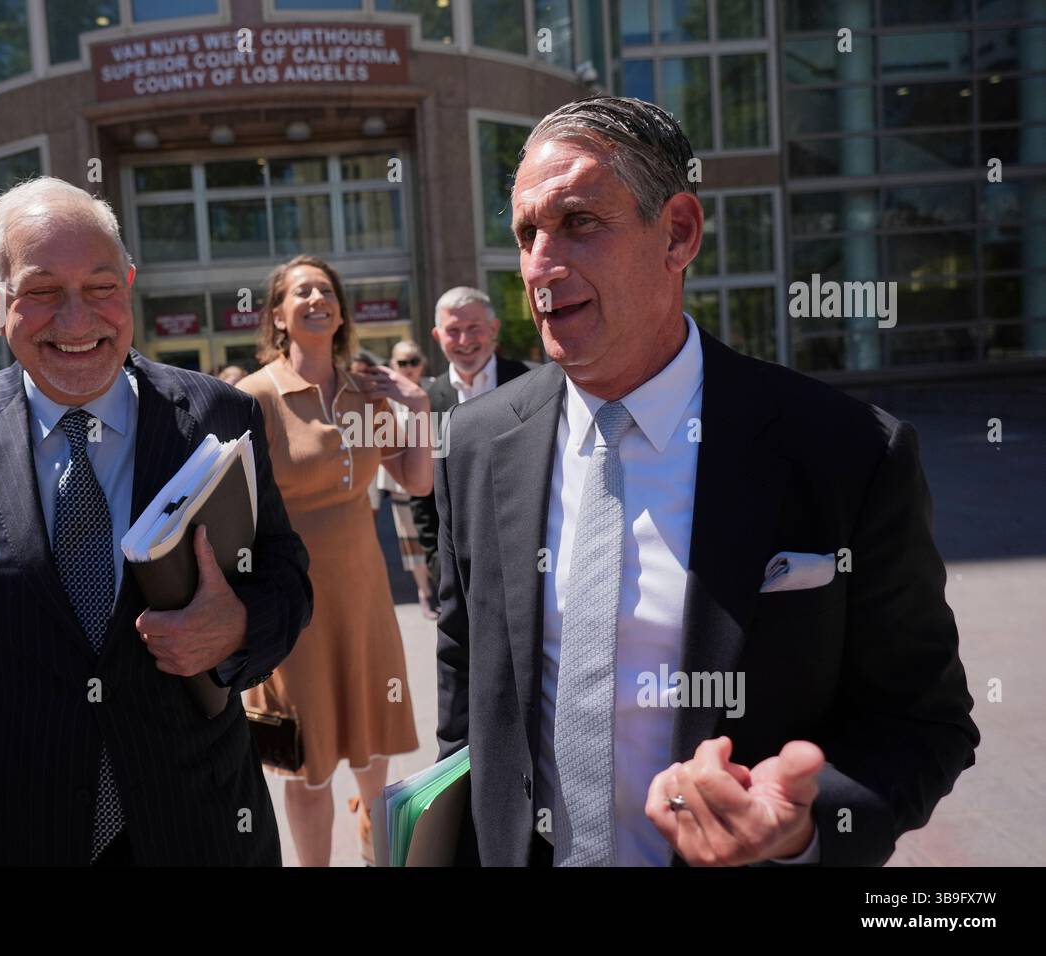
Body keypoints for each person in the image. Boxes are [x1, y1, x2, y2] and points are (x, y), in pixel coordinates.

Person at [434, 96, 979, 867]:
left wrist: (803, 827)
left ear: (678, 233)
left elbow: (925, 721)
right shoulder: (476, 443)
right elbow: (466, 695)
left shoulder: (847, 450)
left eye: (579, 222)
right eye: (527, 232)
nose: (541, 264)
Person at [0, 177, 312, 866]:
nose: (77, 319)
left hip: (203, 830)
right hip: (10, 839)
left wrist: (237, 626)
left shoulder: (218, 416)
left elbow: (286, 579)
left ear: (130, 284)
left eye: (100, 286)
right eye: (42, 291)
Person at [238, 255, 430, 866]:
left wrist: (417, 404)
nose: (316, 297)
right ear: (278, 315)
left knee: (376, 761)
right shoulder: (256, 397)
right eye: (301, 291)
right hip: (293, 607)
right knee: (308, 767)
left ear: (341, 312)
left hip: (366, 601)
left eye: (326, 290)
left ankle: (380, 859)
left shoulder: (365, 392)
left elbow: (417, 481)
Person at [408, 288, 531, 599]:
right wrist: (437, 562)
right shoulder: (427, 402)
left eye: (474, 328)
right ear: (437, 336)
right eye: (453, 331)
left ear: (494, 329)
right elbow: (422, 494)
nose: (464, 341)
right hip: (461, 570)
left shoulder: (531, 385)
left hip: (530, 558)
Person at [375, 341, 438, 619]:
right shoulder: (383, 399)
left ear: (422, 363)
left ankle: (443, 585)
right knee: (410, 539)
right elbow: (375, 444)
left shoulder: (436, 389)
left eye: (413, 361)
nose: (408, 368)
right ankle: (424, 591)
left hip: (438, 479)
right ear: (392, 365)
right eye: (402, 363)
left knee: (440, 536)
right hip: (402, 483)